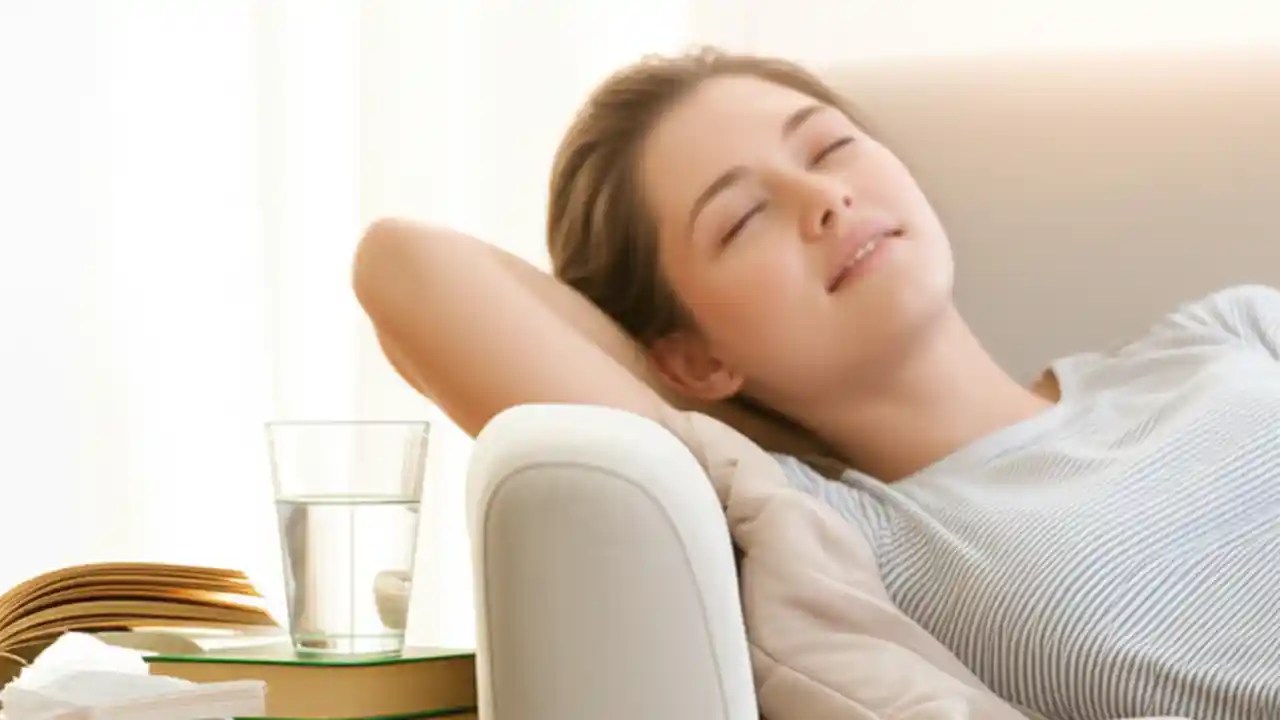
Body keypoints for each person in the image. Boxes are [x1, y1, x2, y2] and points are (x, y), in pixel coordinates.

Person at [352, 48, 1280, 719]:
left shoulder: (1225, 335)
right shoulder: (841, 538)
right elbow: (407, 268)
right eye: (745, 216)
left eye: (830, 149)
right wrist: (682, 390)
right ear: (693, 357)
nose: (824, 199)